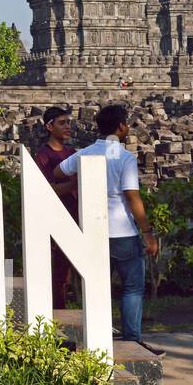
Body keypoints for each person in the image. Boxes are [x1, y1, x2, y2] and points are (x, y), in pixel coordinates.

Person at [54, 104, 165, 356]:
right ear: (121, 127)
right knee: (132, 287)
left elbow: (57, 171)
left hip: (92, 231)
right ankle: (131, 340)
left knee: (96, 286)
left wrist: (77, 180)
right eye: (126, 124)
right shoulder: (124, 157)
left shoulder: (85, 153)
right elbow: (132, 196)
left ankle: (96, 335)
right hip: (123, 231)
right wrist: (147, 232)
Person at [32, 106, 78, 310]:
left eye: (68, 122)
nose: (67, 127)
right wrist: (76, 184)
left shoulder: (73, 153)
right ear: (49, 127)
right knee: (58, 273)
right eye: (62, 123)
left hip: (77, 214)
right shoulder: (43, 156)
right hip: (56, 218)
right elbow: (46, 190)